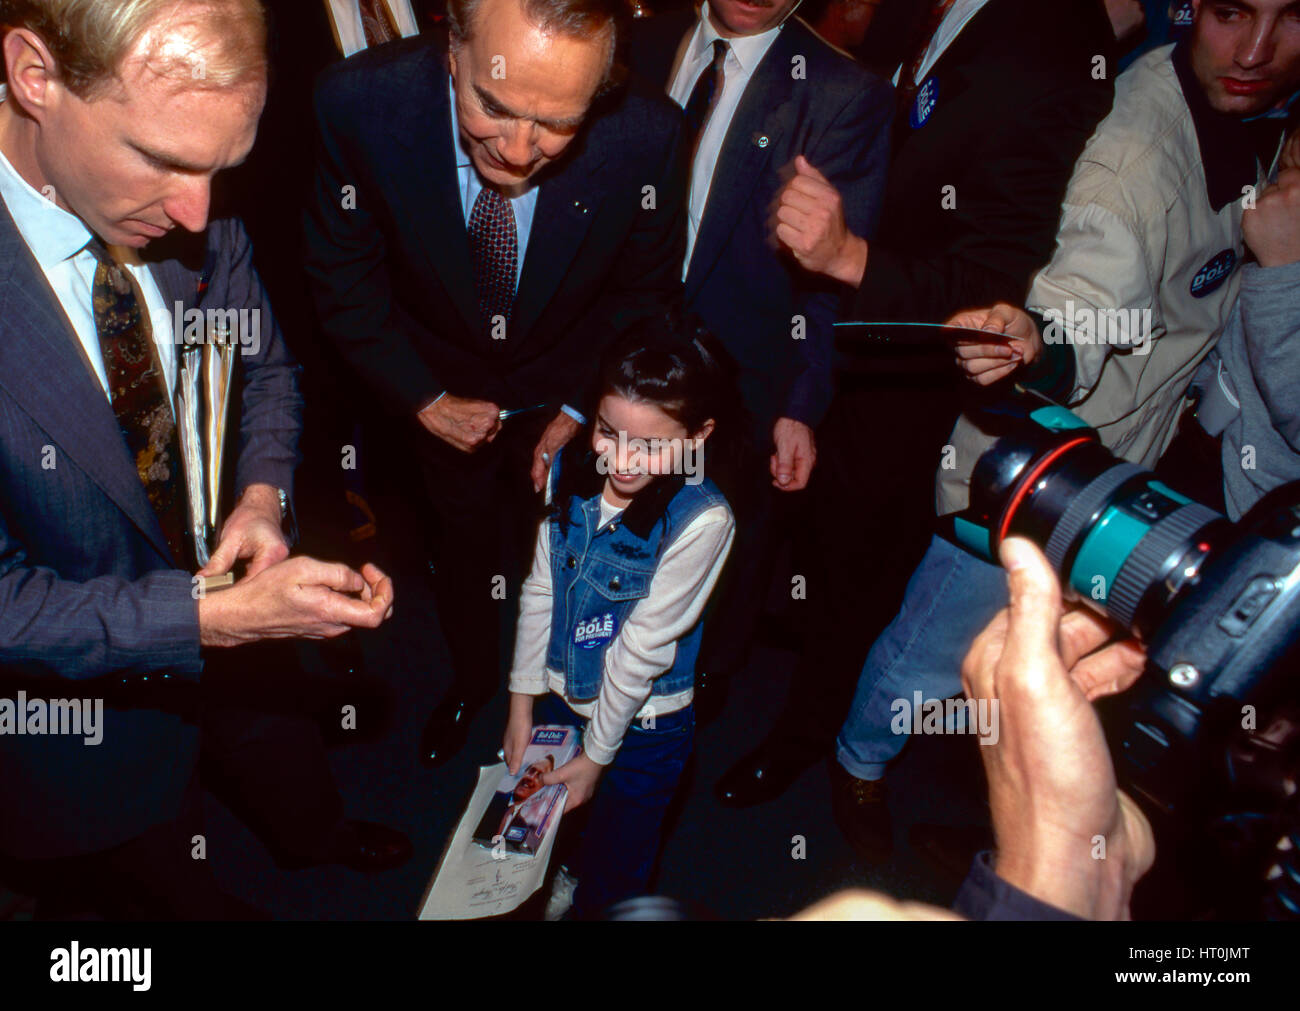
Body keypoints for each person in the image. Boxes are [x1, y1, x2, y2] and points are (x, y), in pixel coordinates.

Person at [829, 0, 1300, 864]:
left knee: (1042, 659)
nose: (1257, 51)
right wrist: (1039, 349)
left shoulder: (1258, 124)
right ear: (1189, 9)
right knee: (928, 649)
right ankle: (858, 762)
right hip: (1035, 475)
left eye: (1290, 18)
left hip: (1121, 469)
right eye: (1234, 14)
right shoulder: (1134, 161)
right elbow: (1080, 309)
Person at [0, 0, 405, 920]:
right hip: (81, 715)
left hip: (245, 629)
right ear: (34, 76)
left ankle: (315, 838)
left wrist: (259, 497)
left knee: (281, 762)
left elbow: (263, 369)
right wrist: (201, 622)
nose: (199, 213)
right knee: (162, 880)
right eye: (162, 161)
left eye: (221, 169)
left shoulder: (188, 189)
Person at [715, 0, 1121, 809]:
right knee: (782, 509)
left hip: (901, 373)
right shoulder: (932, 10)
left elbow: (993, 282)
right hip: (815, 323)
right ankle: (747, 644)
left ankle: (803, 734)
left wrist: (850, 258)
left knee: (852, 564)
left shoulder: (1054, 46)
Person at [304, 0, 690, 768]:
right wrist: (423, 398)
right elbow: (343, 278)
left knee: (579, 553)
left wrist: (582, 403)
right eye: (493, 106)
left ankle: (574, 682)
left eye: (556, 124)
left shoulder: (649, 134)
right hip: (437, 390)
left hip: (574, 392)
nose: (516, 152)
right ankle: (475, 678)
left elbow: (643, 293)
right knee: (466, 552)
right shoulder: (359, 103)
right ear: (451, 45)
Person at [626, 0, 892, 719]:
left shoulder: (843, 94)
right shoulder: (642, 38)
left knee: (719, 556)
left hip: (745, 381)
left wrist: (802, 406)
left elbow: (832, 280)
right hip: (625, 352)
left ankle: (692, 697)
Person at [502, 321, 737, 920]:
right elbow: (539, 592)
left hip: (646, 724)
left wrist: (597, 756)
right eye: (608, 431)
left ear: (699, 437)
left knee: (621, 860)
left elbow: (640, 651)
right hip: (563, 696)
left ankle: (597, 897)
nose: (623, 460)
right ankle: (572, 874)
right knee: (559, 823)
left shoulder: (703, 518)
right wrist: (522, 704)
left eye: (652, 445)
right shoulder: (566, 473)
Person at [791, 537, 1154, 920]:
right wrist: (1077, 865)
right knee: (931, 650)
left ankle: (996, 830)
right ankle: (858, 763)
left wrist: (1072, 857)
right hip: (1004, 533)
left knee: (1048, 680)